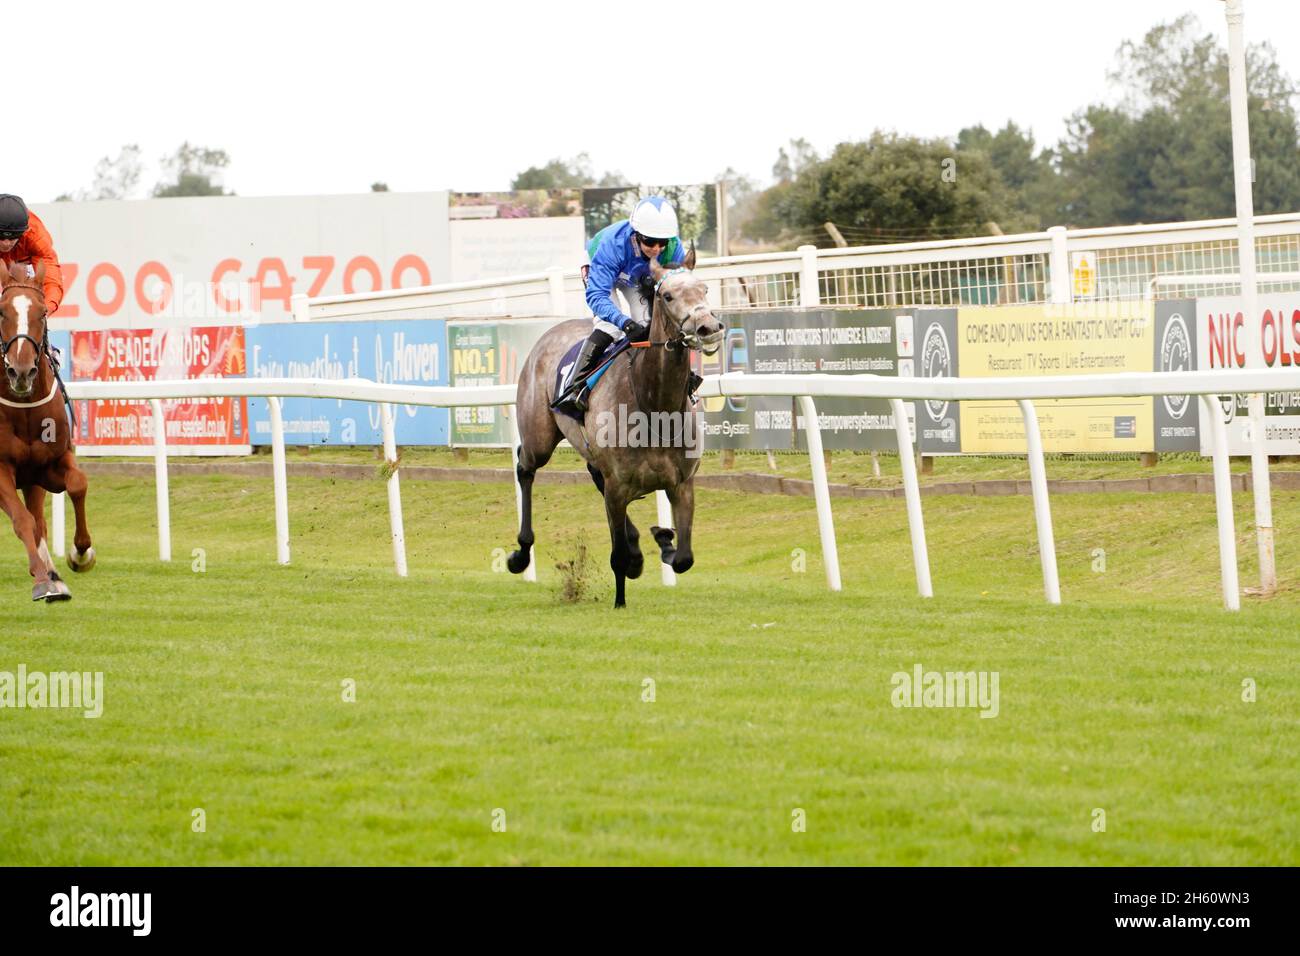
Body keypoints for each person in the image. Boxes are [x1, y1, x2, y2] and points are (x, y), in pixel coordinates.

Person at [554, 195, 686, 414]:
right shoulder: (612, 246)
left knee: (647, 325)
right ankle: (575, 386)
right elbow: (597, 296)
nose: (656, 248)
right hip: (602, 267)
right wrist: (624, 323)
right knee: (610, 326)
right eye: (650, 241)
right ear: (636, 235)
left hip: (633, 276)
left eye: (662, 243)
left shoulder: (673, 248)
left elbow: (679, 289)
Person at [0, 194, 64, 316]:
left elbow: (51, 281)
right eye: (0, 237)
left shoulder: (36, 236)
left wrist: (46, 309)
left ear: (24, 232)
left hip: (23, 261)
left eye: (13, 237)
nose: (6, 244)